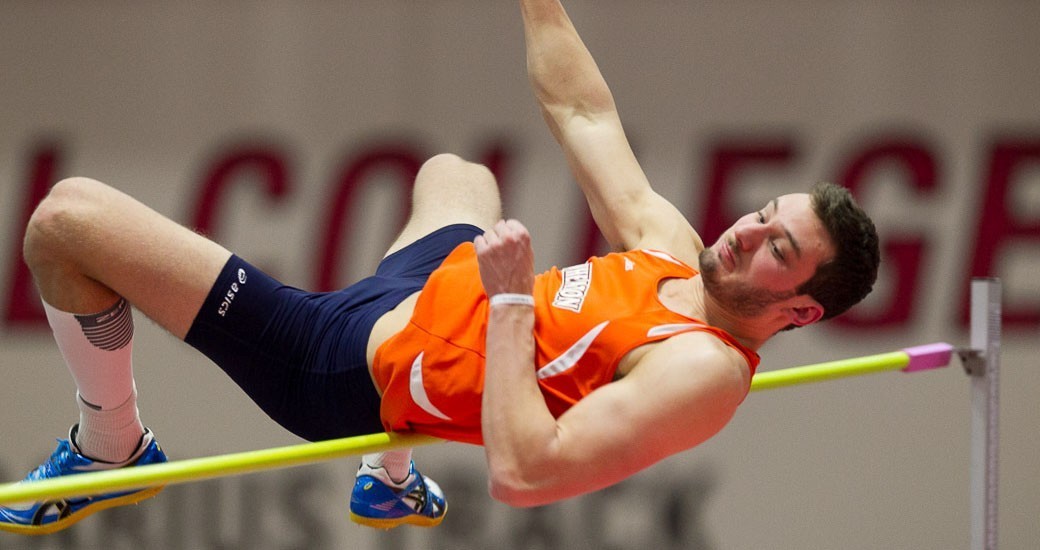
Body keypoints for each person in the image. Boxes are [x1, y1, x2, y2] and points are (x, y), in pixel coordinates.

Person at [0, 0, 880, 536]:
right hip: (419, 294)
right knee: (456, 176)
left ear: (799, 311)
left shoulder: (702, 370)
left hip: (342, 362)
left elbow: (528, 473)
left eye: (779, 250)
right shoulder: (674, 249)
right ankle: (389, 481)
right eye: (765, 215)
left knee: (64, 223)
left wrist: (507, 306)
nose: (745, 234)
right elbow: (582, 111)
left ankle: (107, 447)